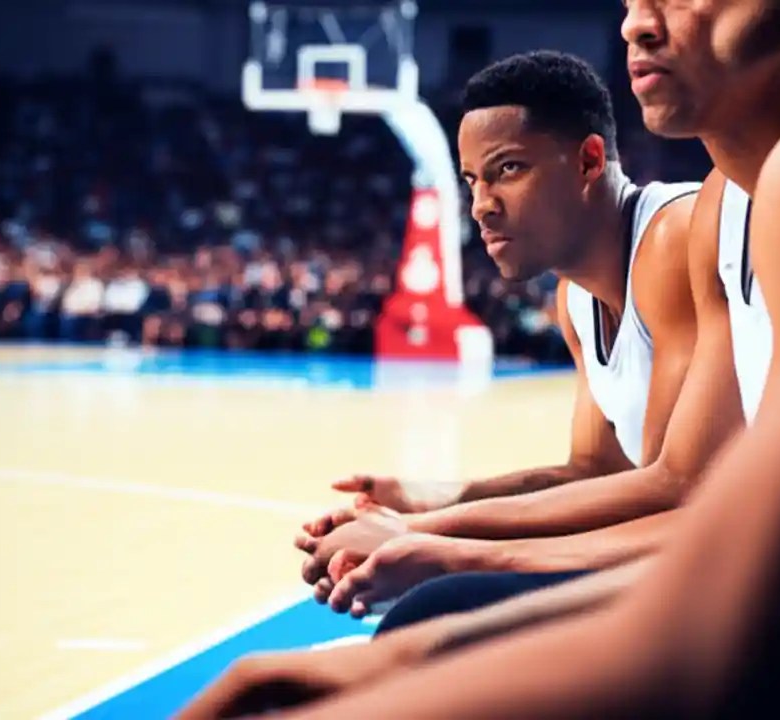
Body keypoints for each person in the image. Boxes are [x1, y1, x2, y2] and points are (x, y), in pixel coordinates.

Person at [231, 0, 780, 717]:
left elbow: (721, 580)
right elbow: (736, 559)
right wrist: (423, 602)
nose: (633, 22)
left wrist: (433, 570)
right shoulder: (766, 183)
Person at [295, 50, 704, 609]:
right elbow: (595, 474)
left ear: (588, 161)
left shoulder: (671, 240)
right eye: (471, 180)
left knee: (432, 613)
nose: (481, 207)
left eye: (508, 169)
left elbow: (665, 493)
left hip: (759, 588)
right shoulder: (575, 296)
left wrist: (424, 533)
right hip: (686, 569)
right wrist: (427, 499)